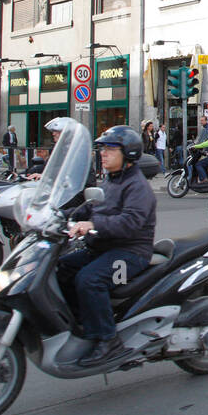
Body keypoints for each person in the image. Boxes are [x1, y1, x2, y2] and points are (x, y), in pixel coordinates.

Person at [57, 125, 157, 368]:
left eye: (111, 149)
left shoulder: (137, 187)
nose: (103, 154)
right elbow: (92, 206)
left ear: (129, 155)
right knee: (62, 267)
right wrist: (60, 215)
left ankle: (108, 340)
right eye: (102, 149)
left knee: (90, 279)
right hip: (103, 247)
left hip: (130, 253)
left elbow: (129, 223)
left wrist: (91, 224)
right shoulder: (111, 181)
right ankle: (82, 320)